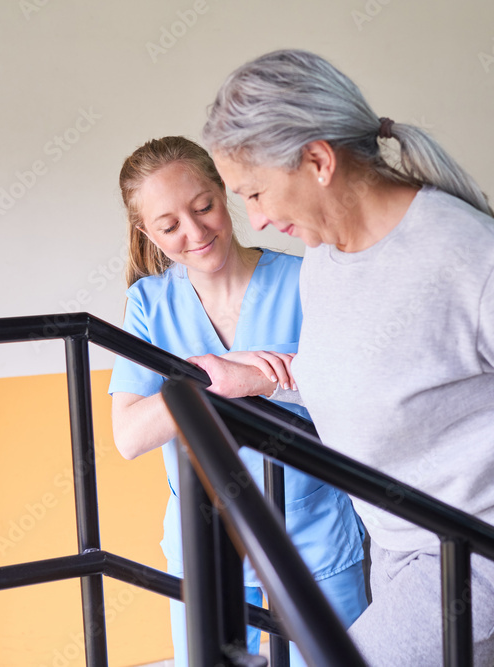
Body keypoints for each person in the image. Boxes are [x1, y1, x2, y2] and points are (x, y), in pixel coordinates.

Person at [198, 49, 494, 666]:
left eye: (257, 193)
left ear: (318, 160)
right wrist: (265, 378)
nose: (259, 220)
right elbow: (383, 373)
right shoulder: (328, 255)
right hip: (402, 528)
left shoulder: (477, 262)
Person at [107, 136, 368, 666]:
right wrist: (211, 379)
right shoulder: (150, 304)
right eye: (169, 225)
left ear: (224, 193)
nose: (196, 232)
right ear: (145, 233)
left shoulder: (304, 280)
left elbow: (361, 399)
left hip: (312, 528)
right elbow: (130, 436)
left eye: (203, 207)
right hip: (203, 539)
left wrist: (264, 380)